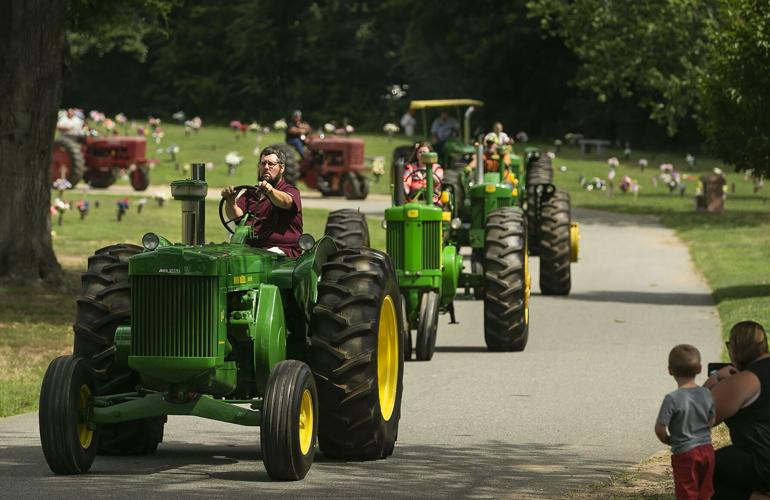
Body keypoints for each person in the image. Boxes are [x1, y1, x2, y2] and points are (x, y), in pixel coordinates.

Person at [705, 321, 770, 500]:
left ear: (735, 348)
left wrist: (714, 380)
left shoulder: (746, 380)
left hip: (763, 464)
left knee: (700, 466)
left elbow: (696, 419)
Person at [655, 344, 716, 500]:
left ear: (670, 370)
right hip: (707, 450)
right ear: (700, 368)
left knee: (687, 492)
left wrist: (669, 440)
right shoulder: (706, 393)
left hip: (685, 452)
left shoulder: (672, 399)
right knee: (705, 492)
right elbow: (712, 419)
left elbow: (660, 428)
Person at [221, 146, 303, 257]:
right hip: (252, 249)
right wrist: (230, 202)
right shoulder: (251, 192)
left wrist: (270, 192)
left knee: (265, 257)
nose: (266, 167)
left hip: (282, 251)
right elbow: (235, 216)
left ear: (281, 168)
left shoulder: (289, 190)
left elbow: (286, 202)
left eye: (271, 164)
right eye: (263, 163)